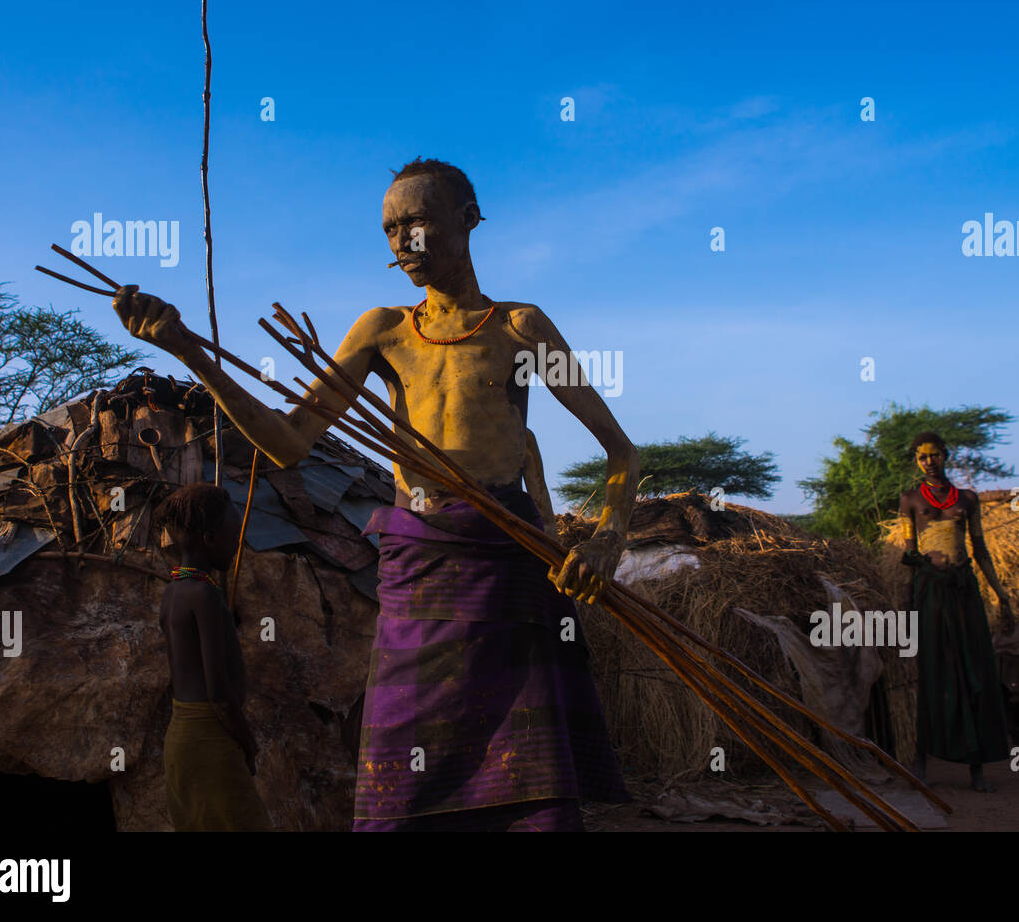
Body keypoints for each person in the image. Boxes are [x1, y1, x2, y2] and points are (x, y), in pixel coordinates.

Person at [115, 158, 635, 830]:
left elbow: (619, 450)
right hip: (419, 579)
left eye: (417, 221)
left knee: (528, 793)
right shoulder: (381, 331)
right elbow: (288, 439)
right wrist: (188, 348)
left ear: (468, 218)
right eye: (391, 228)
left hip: (509, 578)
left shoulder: (521, 329)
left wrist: (607, 539)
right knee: (401, 796)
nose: (402, 241)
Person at [898, 432, 1014, 793]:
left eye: (934, 455)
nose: (929, 462)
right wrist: (910, 592)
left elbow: (980, 549)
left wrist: (1002, 595)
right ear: (917, 461)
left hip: (965, 590)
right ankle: (921, 762)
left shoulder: (967, 499)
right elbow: (908, 552)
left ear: (946, 456)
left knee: (974, 669)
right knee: (933, 672)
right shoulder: (910, 500)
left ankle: (976, 768)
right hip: (931, 591)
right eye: (922, 457)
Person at [157, 482, 270, 830]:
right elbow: (219, 693)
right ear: (208, 539)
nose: (238, 543)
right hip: (210, 738)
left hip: (181, 740)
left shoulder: (173, 593)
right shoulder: (205, 596)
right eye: (233, 534)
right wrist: (247, 743)